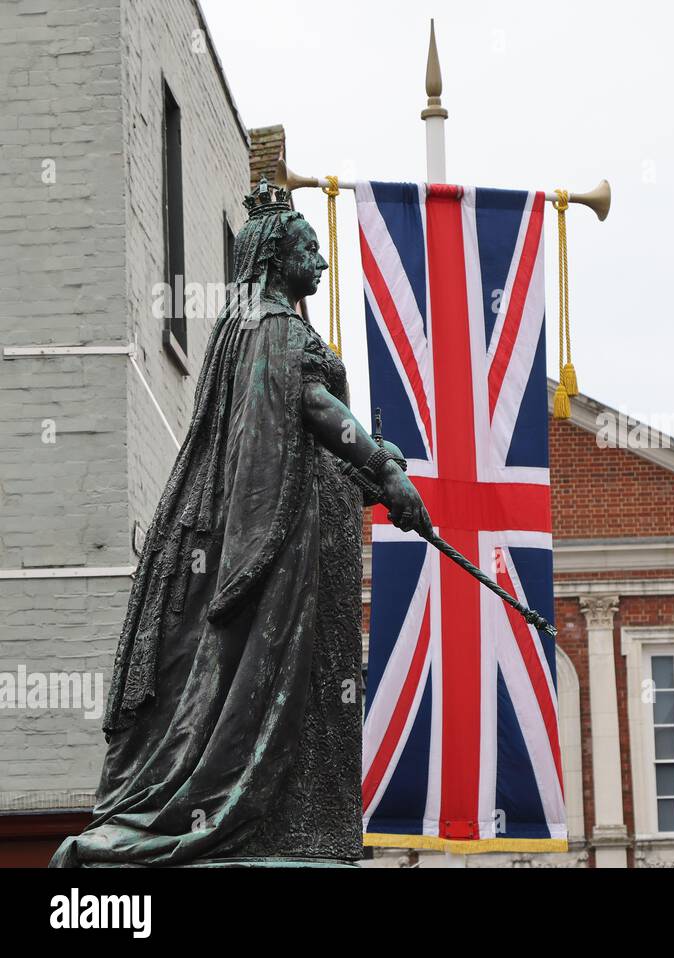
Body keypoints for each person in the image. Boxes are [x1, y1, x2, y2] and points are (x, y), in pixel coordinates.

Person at [50, 180, 430, 867]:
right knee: (265, 679)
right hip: (278, 551)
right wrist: (386, 469)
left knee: (294, 683)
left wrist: (372, 468)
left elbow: (300, 438)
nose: (318, 261)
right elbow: (312, 409)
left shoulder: (252, 327)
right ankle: (236, 815)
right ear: (276, 256)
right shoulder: (272, 327)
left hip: (296, 537)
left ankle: (279, 821)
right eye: (308, 249)